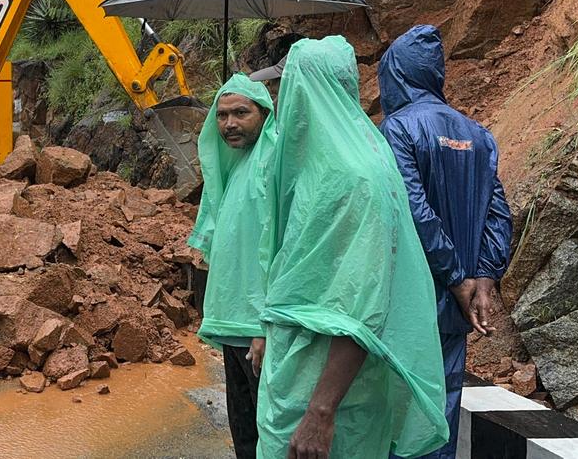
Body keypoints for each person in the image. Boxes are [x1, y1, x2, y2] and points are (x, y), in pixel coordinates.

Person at [257, 36, 449, 459]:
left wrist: (321, 412)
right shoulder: (333, 160)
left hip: (330, 399)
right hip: (299, 380)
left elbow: (362, 308)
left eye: (294, 85)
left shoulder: (354, 177)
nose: (287, 98)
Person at [377, 25, 513, 459]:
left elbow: (412, 209)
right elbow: (497, 212)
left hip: (411, 300)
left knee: (399, 414)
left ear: (395, 74)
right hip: (459, 306)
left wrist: (456, 277)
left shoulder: (397, 129)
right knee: (442, 405)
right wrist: (484, 277)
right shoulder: (477, 134)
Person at [189, 74, 278, 459]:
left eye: (241, 113)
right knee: (242, 428)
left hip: (260, 328)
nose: (229, 124)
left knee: (269, 432)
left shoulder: (272, 164)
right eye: (222, 115)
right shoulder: (237, 166)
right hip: (232, 324)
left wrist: (266, 326)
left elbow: (276, 249)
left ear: (265, 113)